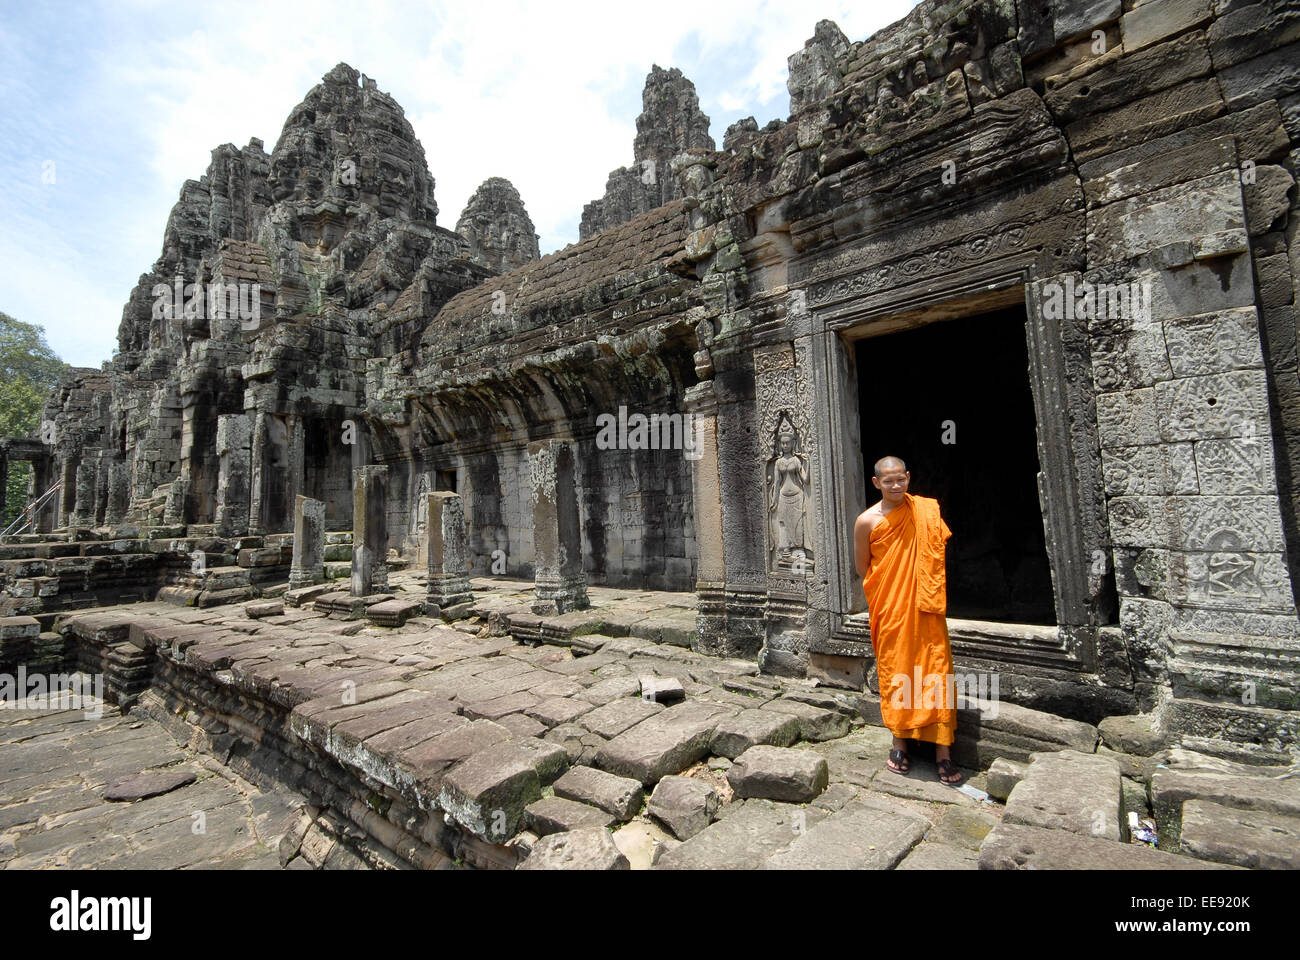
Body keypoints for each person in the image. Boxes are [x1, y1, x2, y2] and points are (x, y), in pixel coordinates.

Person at [853, 455, 962, 785]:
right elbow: (863, 569)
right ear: (876, 483)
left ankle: (943, 750)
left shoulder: (925, 510)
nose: (896, 485)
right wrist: (895, 586)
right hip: (892, 607)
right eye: (888, 481)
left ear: (908, 477)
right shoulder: (867, 521)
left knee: (935, 668)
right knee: (896, 668)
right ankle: (899, 744)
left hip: (926, 607)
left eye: (900, 479)